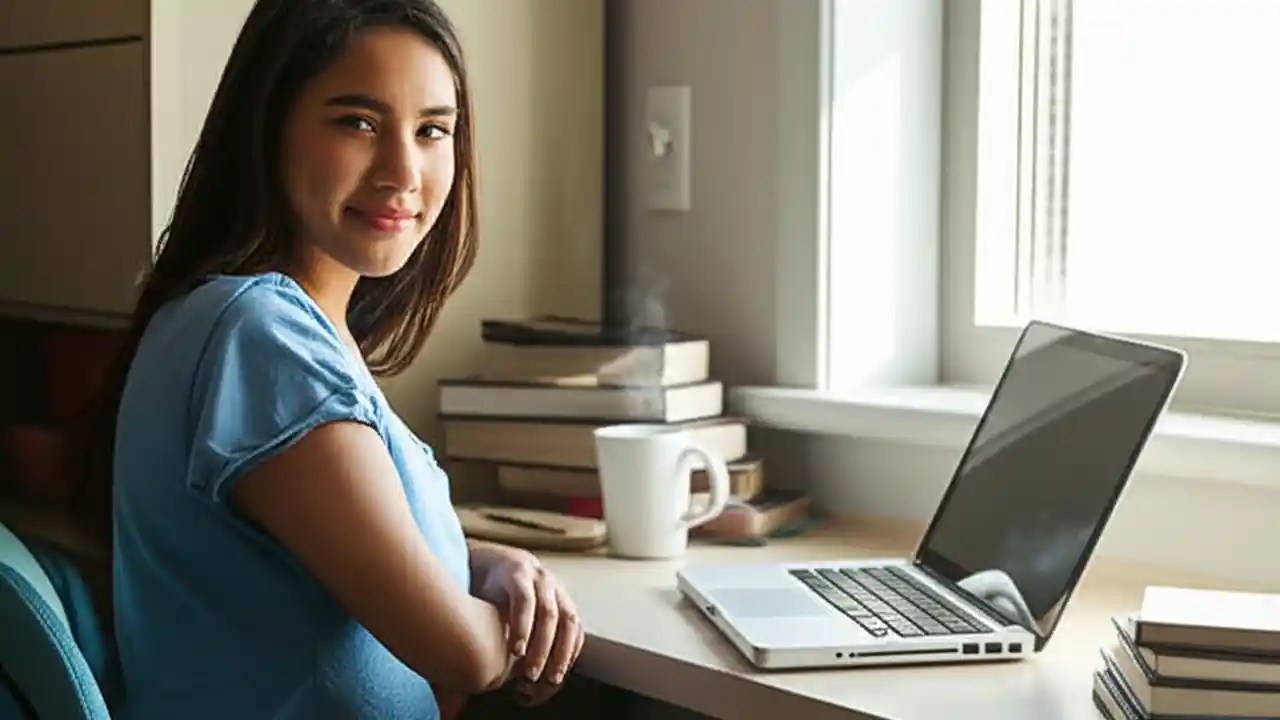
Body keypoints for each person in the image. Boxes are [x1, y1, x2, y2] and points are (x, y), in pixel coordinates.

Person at [92, 1, 584, 717]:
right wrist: (513, 631)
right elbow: (464, 654)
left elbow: (339, 548)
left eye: (432, 130)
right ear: (270, 126)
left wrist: (490, 563)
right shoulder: (260, 334)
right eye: (358, 122)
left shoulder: (271, 322)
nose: (403, 171)